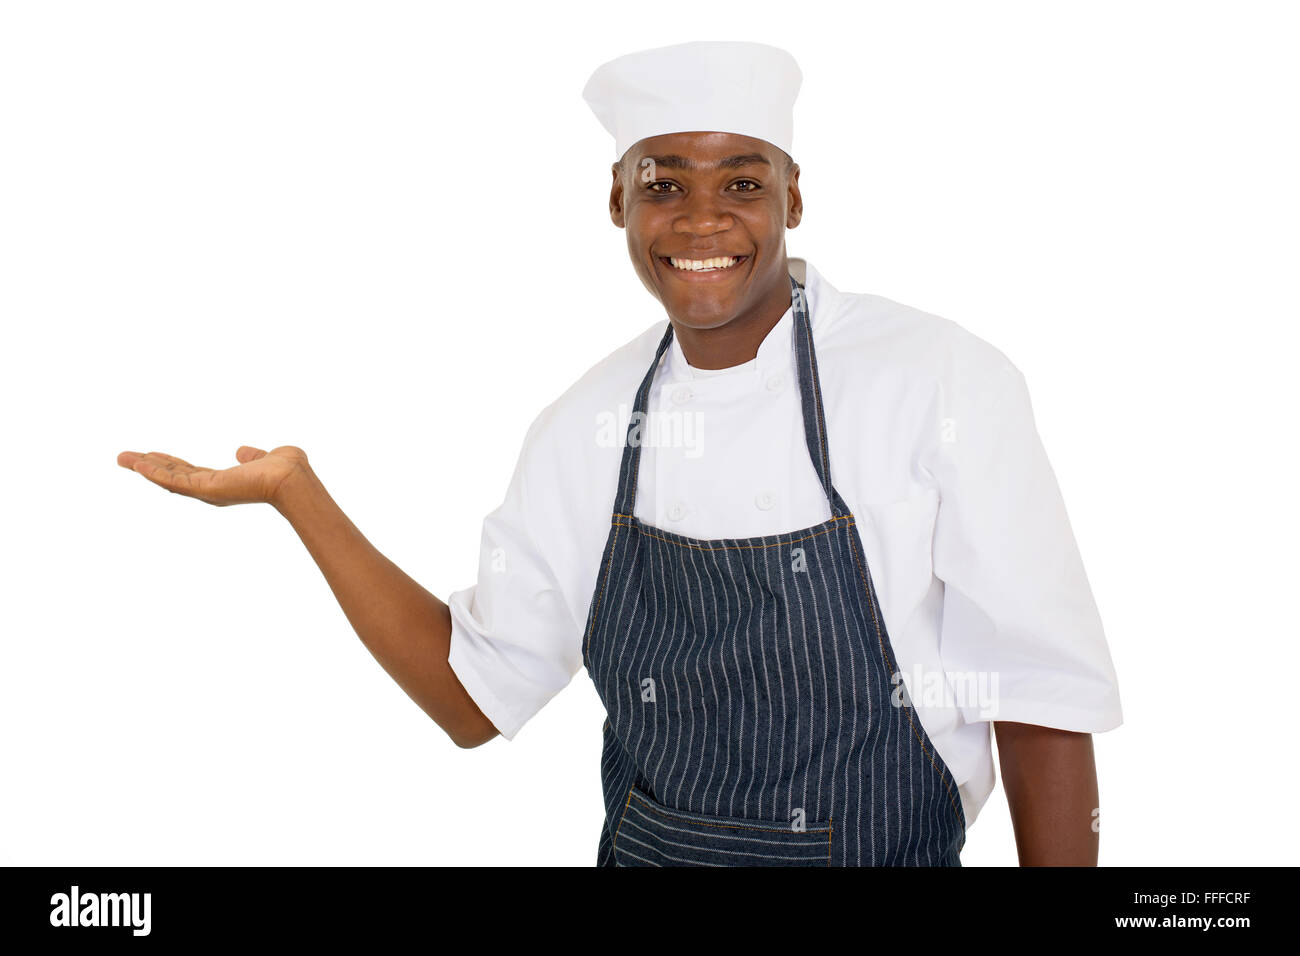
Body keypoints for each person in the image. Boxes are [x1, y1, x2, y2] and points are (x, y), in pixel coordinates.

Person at [117, 40, 1121, 866]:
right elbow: (473, 698)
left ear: (793, 197)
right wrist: (300, 495)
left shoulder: (937, 379)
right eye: (663, 183)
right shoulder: (587, 426)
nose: (700, 218)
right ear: (617, 204)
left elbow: (1035, 700)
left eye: (740, 180)